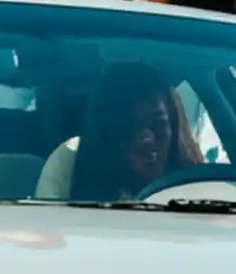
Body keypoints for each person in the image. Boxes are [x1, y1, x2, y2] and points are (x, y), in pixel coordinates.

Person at [41, 63, 203, 202]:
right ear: (107, 135)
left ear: (173, 129)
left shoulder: (201, 194)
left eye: (157, 124)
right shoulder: (73, 184)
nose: (146, 139)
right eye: (129, 127)